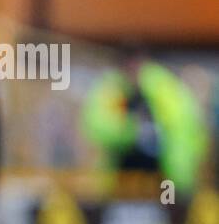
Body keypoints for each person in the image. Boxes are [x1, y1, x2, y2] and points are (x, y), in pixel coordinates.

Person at [81, 47, 207, 197]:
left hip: (163, 175)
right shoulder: (111, 89)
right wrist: (132, 130)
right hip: (122, 176)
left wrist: (181, 171)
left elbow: (184, 129)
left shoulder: (162, 87)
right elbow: (97, 127)